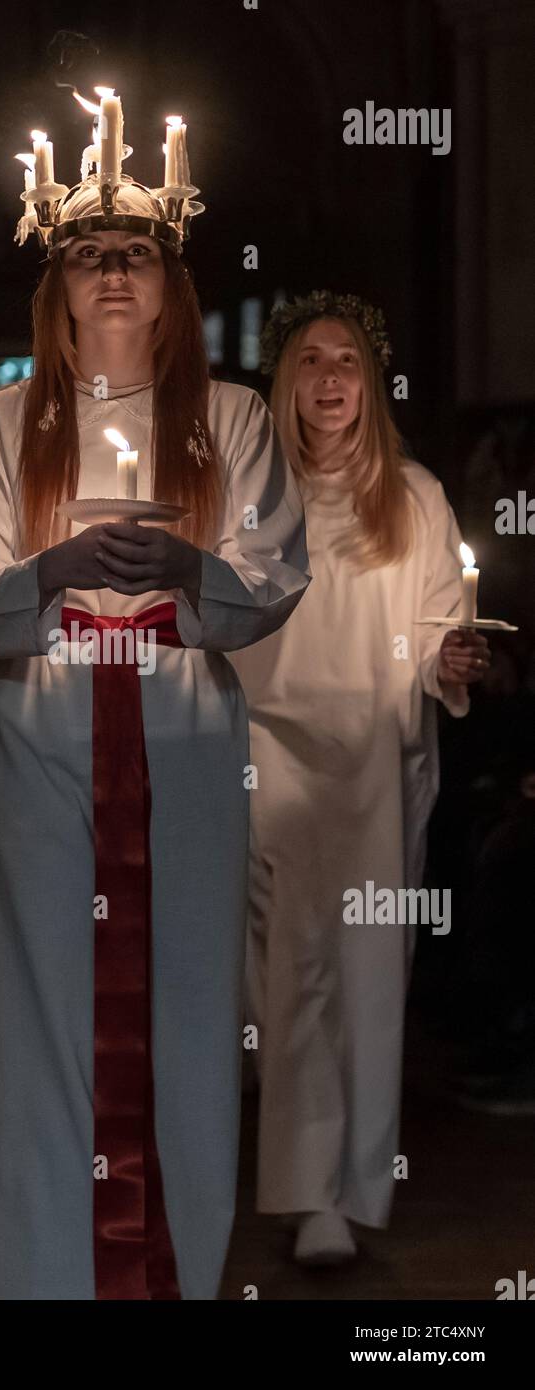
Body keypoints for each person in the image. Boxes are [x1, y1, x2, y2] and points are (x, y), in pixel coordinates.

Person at [0, 95, 311, 1300]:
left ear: (170, 282)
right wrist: (50, 573)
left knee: (182, 1003)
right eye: (84, 256)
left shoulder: (232, 419)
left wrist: (188, 570)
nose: (110, 273)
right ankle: (36, 1273)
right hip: (41, 721)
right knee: (35, 1006)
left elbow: (272, 569)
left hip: (183, 725)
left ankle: (170, 1273)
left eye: (133, 252)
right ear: (56, 290)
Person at [230, 291, 490, 1265]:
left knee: (366, 968)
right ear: (284, 380)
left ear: (368, 383)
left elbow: (434, 622)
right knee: (289, 970)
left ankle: (347, 1182)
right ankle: (308, 1189)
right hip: (272, 747)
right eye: (308, 361)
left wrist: (446, 663)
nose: (327, 380)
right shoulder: (252, 493)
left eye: (344, 362)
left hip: (373, 759)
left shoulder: (413, 496)